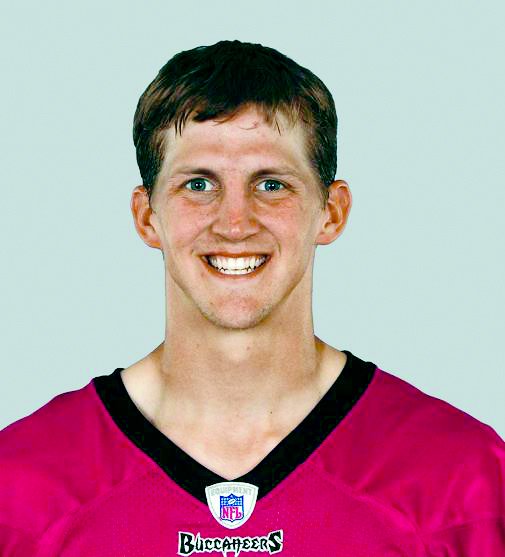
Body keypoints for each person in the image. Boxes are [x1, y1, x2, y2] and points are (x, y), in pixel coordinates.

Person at [1, 39, 504, 557]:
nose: (235, 223)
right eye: (199, 185)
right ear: (146, 217)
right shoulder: (22, 487)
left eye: (271, 185)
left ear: (331, 212)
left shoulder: (460, 479)